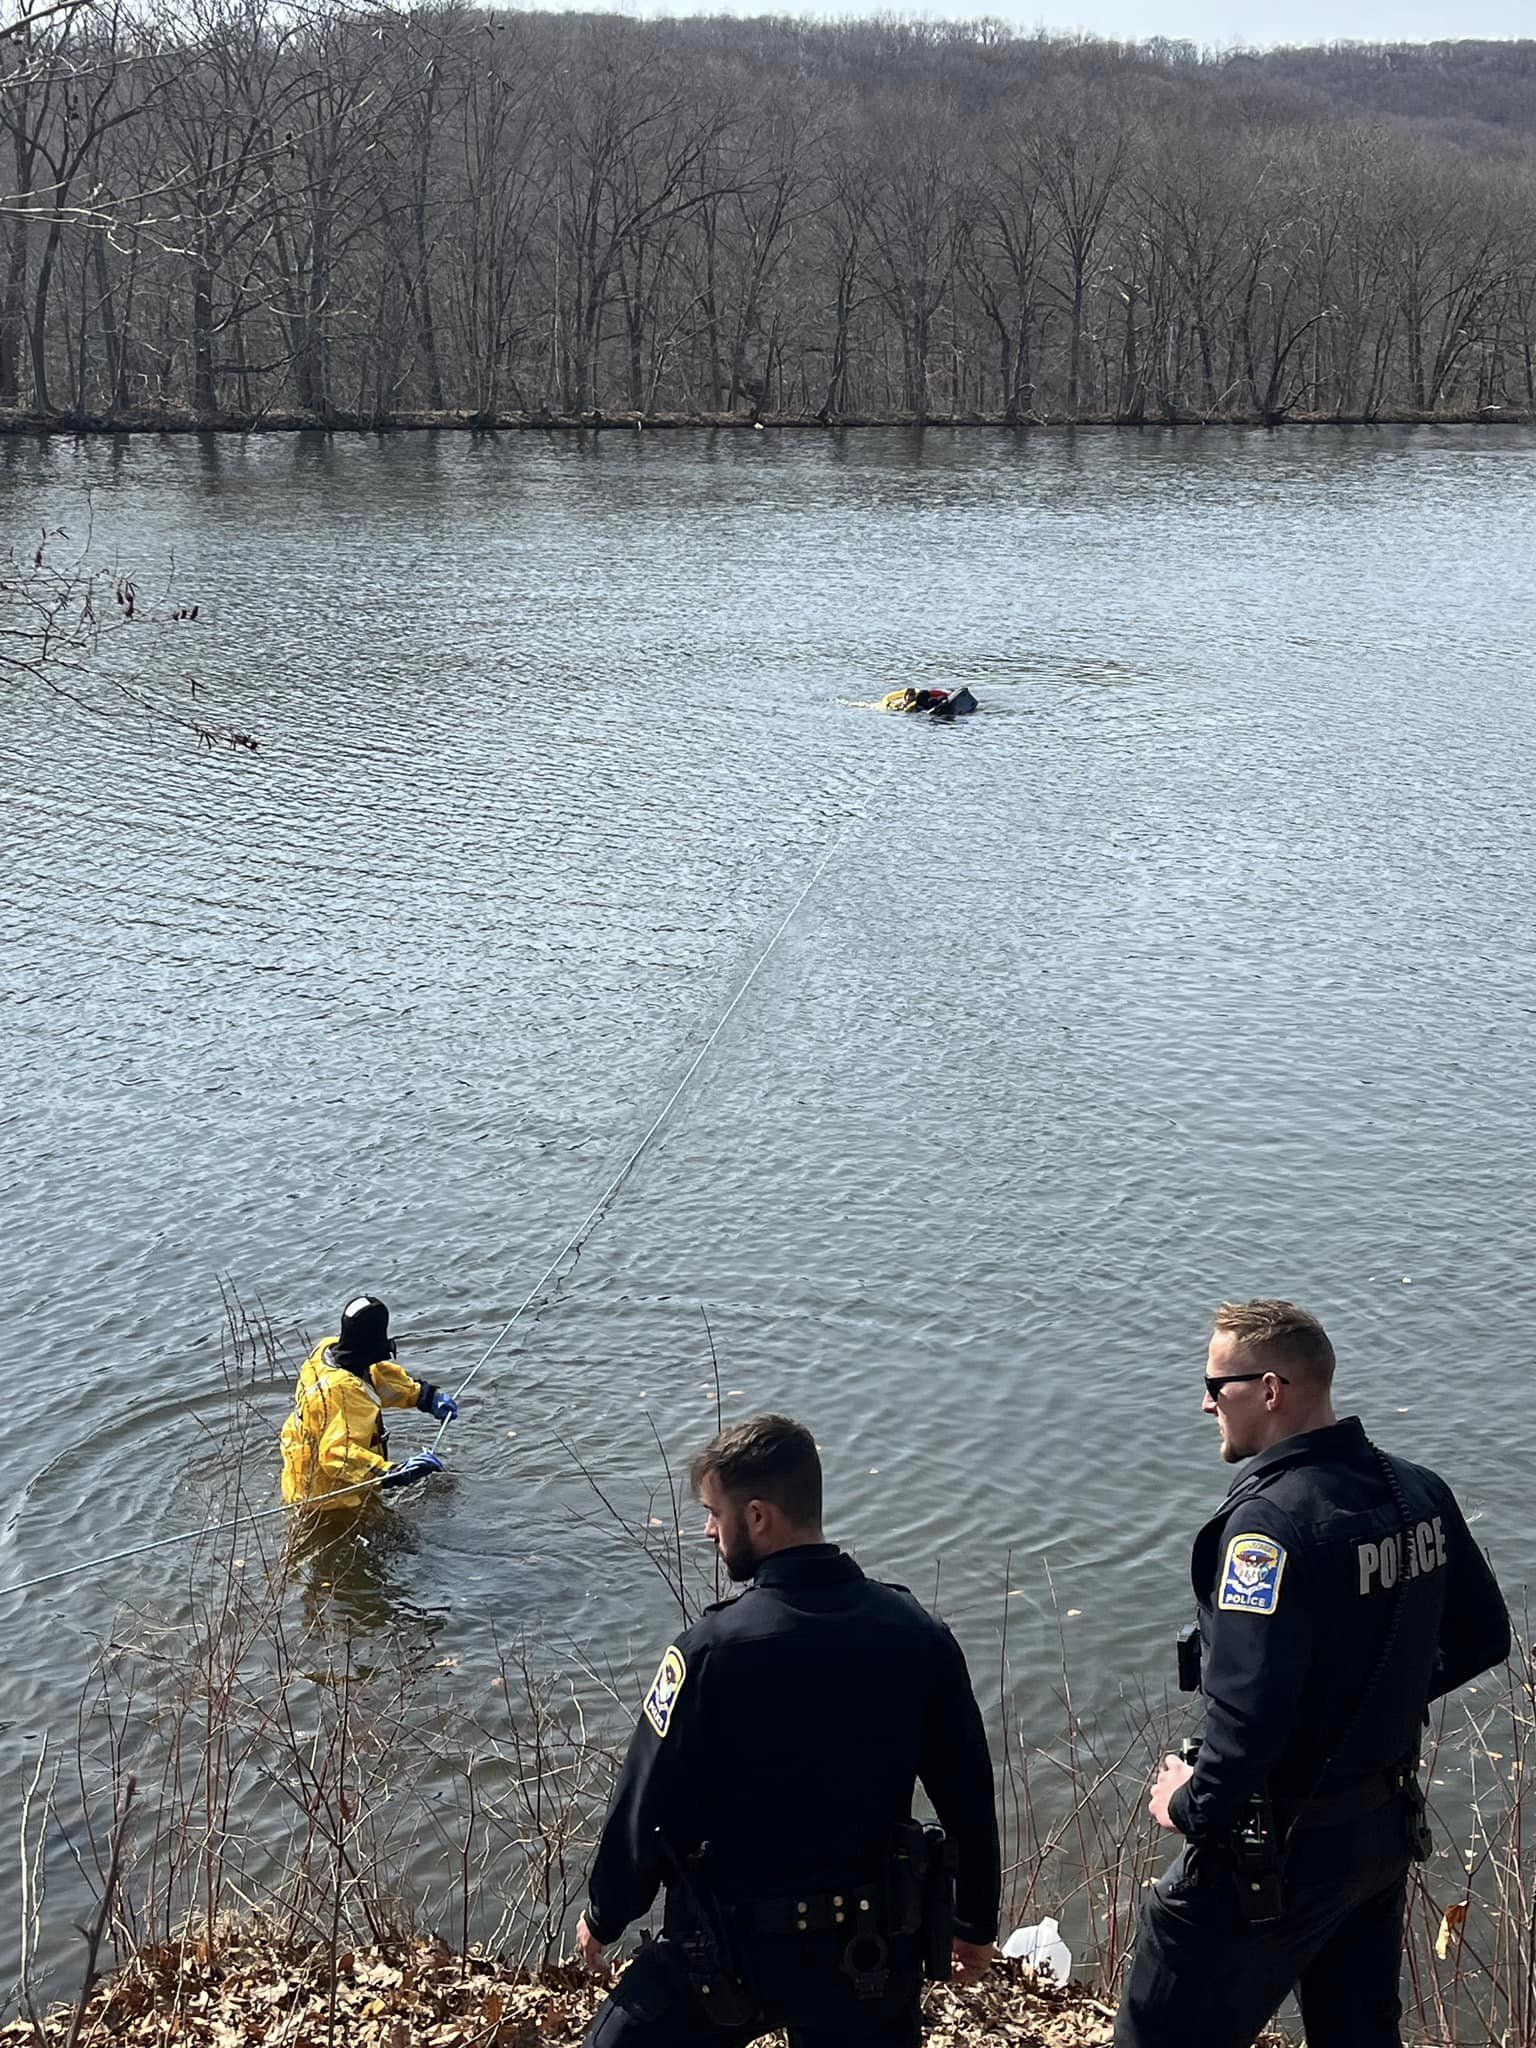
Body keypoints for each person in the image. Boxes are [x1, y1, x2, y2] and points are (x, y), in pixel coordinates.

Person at [1115, 1299, 1510, 2048]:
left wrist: (1192, 1804)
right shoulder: (1416, 1492)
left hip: (1279, 1849)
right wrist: (1370, 1704)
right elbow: (1484, 1636)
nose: (1205, 1401)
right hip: (1378, 1831)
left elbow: (1250, 1715)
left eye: (1214, 1382)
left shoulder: (1268, 1529)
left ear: (1270, 1390)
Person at [576, 1414, 1000, 2047]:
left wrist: (606, 1914)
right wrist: (975, 1918)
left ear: (757, 1517)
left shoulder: (710, 1653)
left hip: (728, 1953)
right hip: (868, 1954)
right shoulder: (919, 1637)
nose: (708, 1529)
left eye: (715, 1513)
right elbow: (968, 1794)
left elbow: (645, 1803)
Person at [279, 1294, 455, 1511]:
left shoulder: (330, 1351)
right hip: (326, 1497)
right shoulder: (341, 1390)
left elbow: (376, 1379)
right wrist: (390, 1473)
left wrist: (424, 1396)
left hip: (304, 1474)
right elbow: (337, 1454)